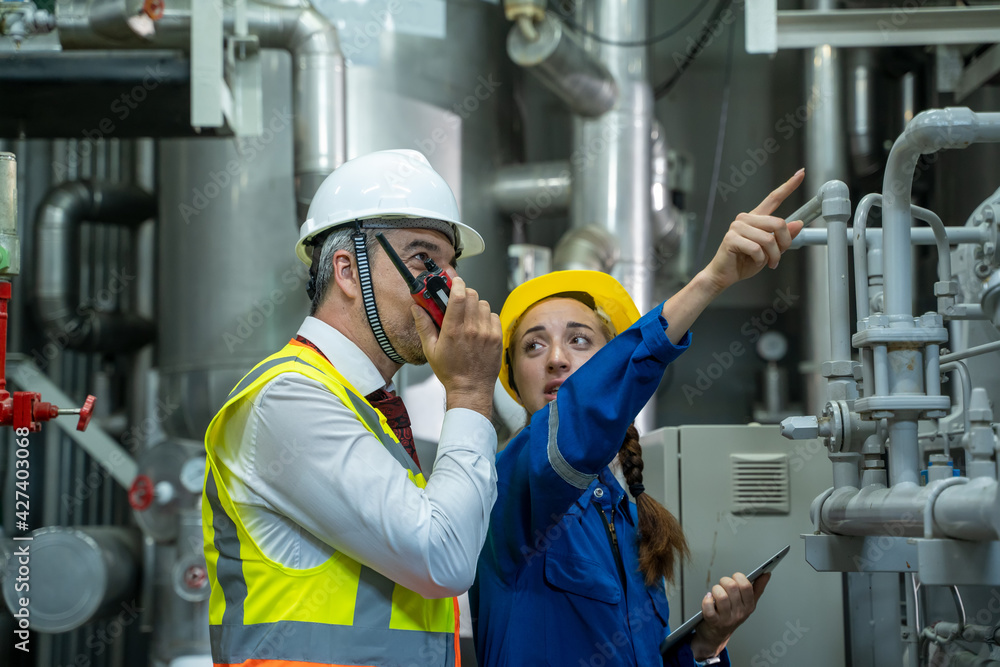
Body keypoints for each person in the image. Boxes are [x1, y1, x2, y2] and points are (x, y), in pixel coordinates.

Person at [471, 170, 806, 666]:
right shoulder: (507, 487)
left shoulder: (628, 517)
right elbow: (582, 414)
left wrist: (706, 645)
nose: (557, 359)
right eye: (534, 344)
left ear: (609, 360)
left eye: (580, 340)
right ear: (513, 378)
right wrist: (710, 281)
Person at [202, 149, 502, 667]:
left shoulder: (368, 409)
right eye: (423, 261)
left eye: (450, 266)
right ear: (346, 269)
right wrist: (471, 393)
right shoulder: (288, 400)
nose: (449, 289)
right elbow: (442, 558)